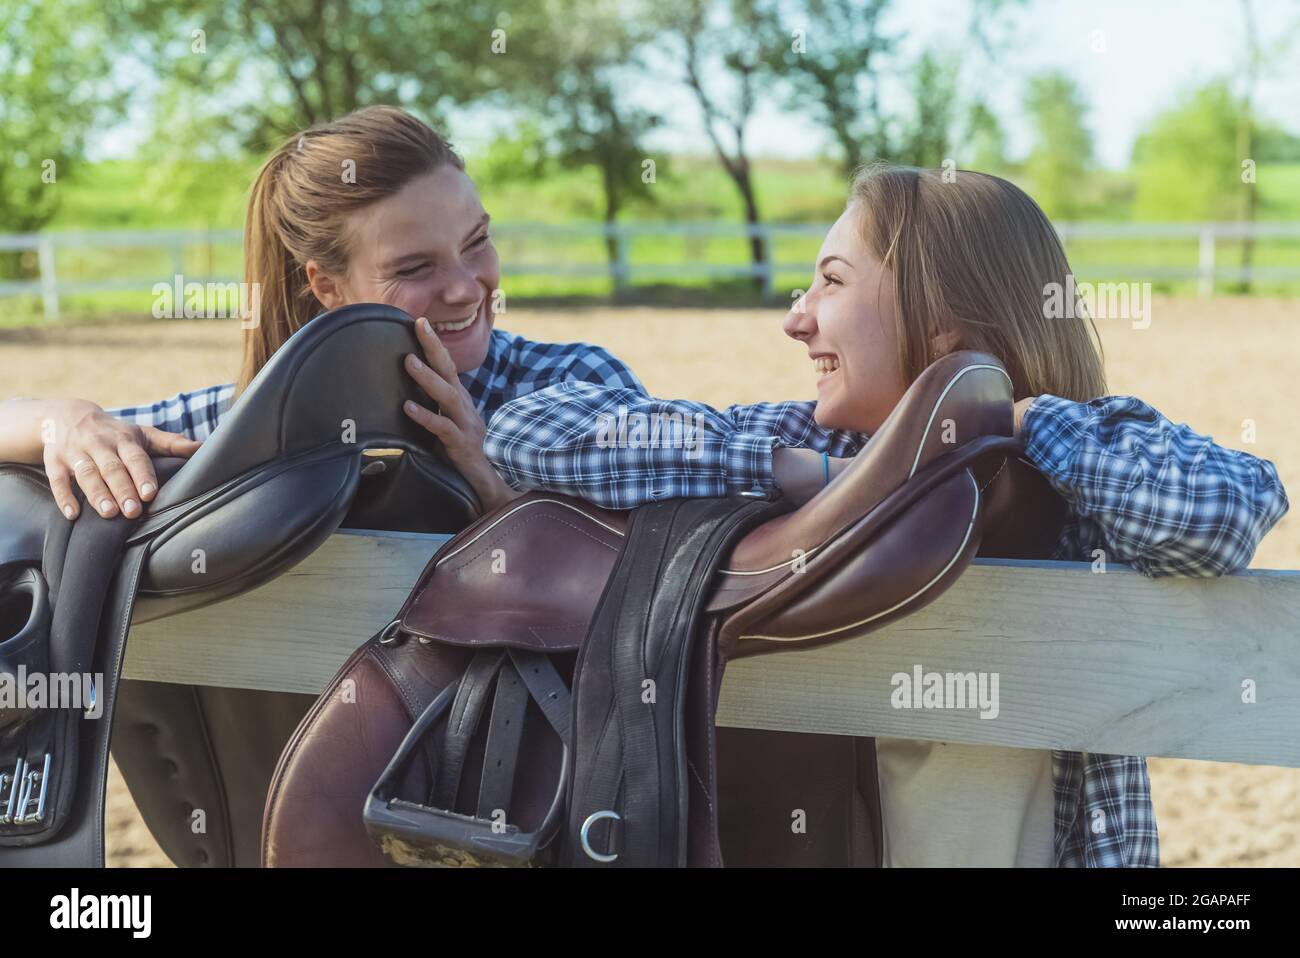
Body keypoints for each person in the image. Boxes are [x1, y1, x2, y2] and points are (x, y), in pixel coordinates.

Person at [481, 164, 1290, 866]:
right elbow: (528, 435)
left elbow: (1224, 511)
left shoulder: (1086, 457)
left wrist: (1022, 422)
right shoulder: (808, 435)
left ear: (942, 320)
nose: (797, 318)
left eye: (832, 282)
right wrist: (826, 476)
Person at [0, 105, 643, 515]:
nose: (465, 288)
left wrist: (497, 494)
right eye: (414, 268)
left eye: (476, 242)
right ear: (327, 285)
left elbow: (670, 570)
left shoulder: (578, 385)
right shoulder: (257, 418)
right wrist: (67, 420)